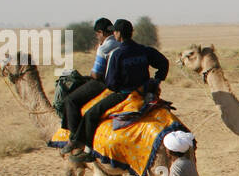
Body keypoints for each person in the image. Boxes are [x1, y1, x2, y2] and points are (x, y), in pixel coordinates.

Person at [70, 18, 169, 159]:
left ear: (117, 34)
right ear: (131, 32)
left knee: (91, 114)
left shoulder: (117, 55)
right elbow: (164, 63)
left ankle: (88, 152)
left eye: (115, 32)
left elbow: (111, 83)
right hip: (144, 93)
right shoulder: (144, 50)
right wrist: (156, 80)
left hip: (124, 95)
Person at [63, 18, 117, 146]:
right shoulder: (120, 42)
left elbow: (96, 74)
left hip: (103, 82)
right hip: (120, 80)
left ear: (101, 32)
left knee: (71, 100)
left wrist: (89, 76)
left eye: (97, 34)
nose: (97, 37)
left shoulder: (103, 48)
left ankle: (76, 138)